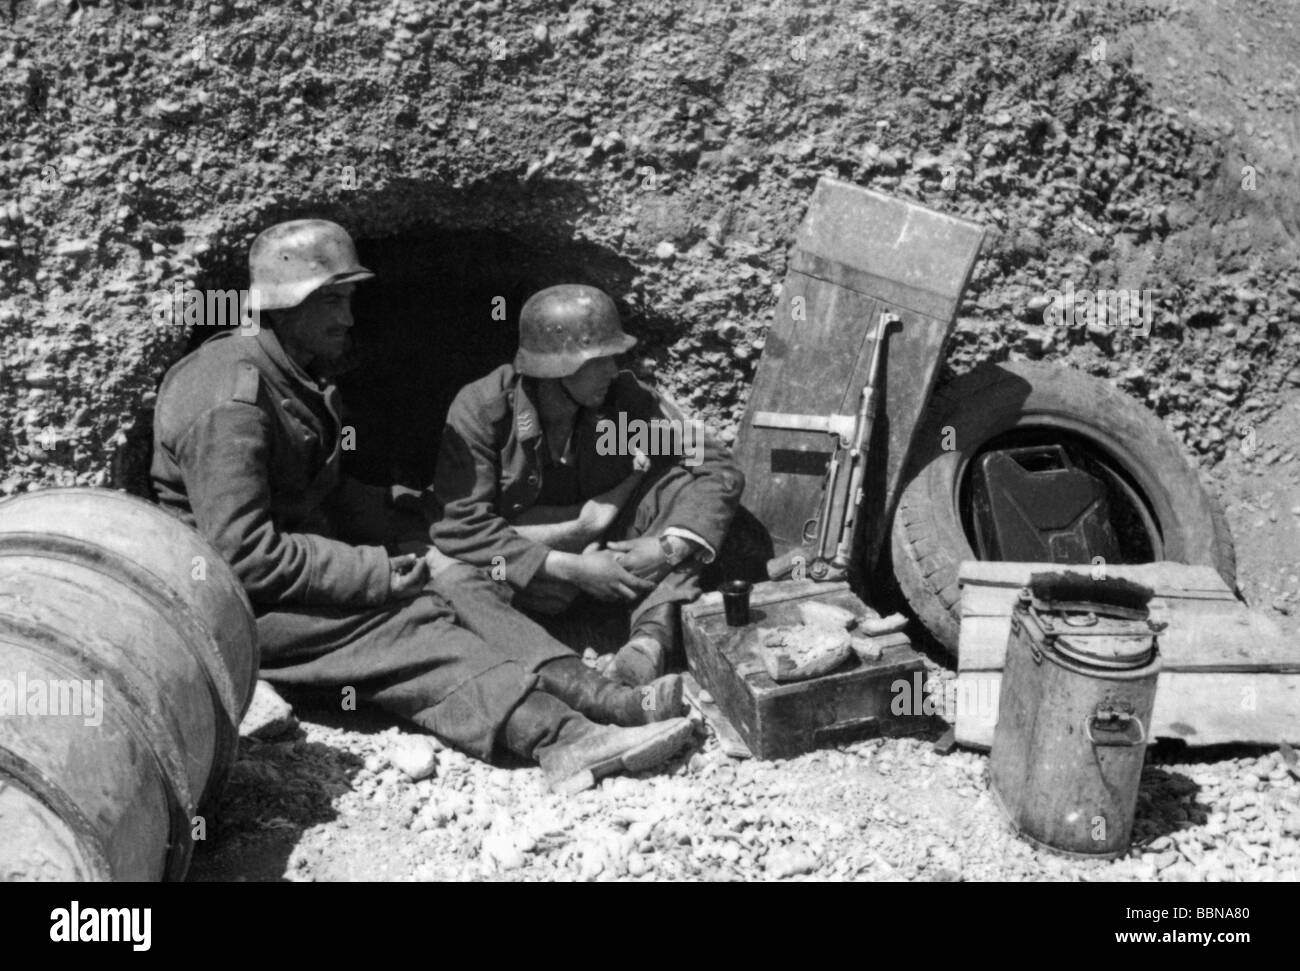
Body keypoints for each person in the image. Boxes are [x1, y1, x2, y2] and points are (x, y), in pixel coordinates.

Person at [150, 220, 693, 794]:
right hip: (239, 611)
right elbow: (243, 556)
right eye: (331, 300)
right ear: (282, 306)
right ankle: (564, 739)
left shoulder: (291, 375)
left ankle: (603, 696)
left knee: (458, 576)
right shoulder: (230, 402)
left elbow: (315, 492)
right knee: (412, 626)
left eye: (349, 298)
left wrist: (413, 517)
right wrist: (377, 572)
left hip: (292, 574)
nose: (348, 318)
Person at [432, 284, 744, 686]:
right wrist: (570, 569)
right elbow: (460, 526)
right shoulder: (483, 410)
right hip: (527, 568)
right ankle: (549, 670)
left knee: (677, 488)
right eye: (600, 361)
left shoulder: (624, 403)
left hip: (615, 559)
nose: (613, 371)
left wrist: (669, 548)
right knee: (454, 574)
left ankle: (648, 644)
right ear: (558, 367)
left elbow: (715, 464)